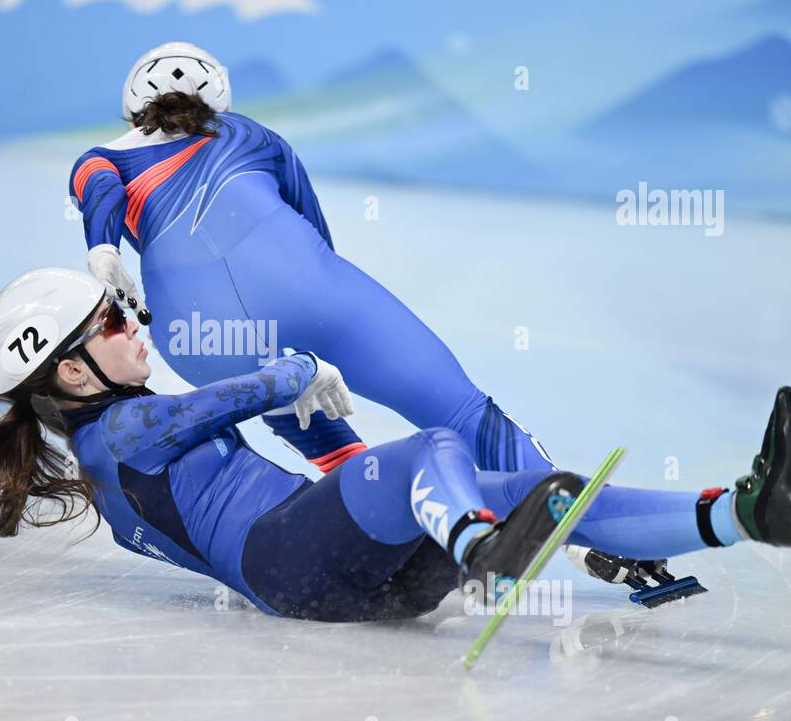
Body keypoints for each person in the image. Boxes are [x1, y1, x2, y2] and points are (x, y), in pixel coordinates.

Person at [0, 267, 791, 622]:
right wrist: (292, 375)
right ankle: (480, 548)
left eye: (125, 308)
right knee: (422, 455)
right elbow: (217, 403)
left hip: (337, 579)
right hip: (285, 556)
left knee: (545, 484)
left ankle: (746, 513)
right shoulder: (120, 432)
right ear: (76, 376)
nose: (135, 321)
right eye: (112, 319)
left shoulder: (110, 432)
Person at [69, 42, 552, 478]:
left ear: (133, 112)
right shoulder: (251, 134)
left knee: (298, 399)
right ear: (219, 101)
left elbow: (102, 193)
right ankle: (572, 518)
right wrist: (325, 310)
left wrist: (103, 249)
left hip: (196, 340)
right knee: (462, 410)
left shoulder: (98, 157)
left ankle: (384, 516)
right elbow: (316, 231)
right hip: (311, 295)